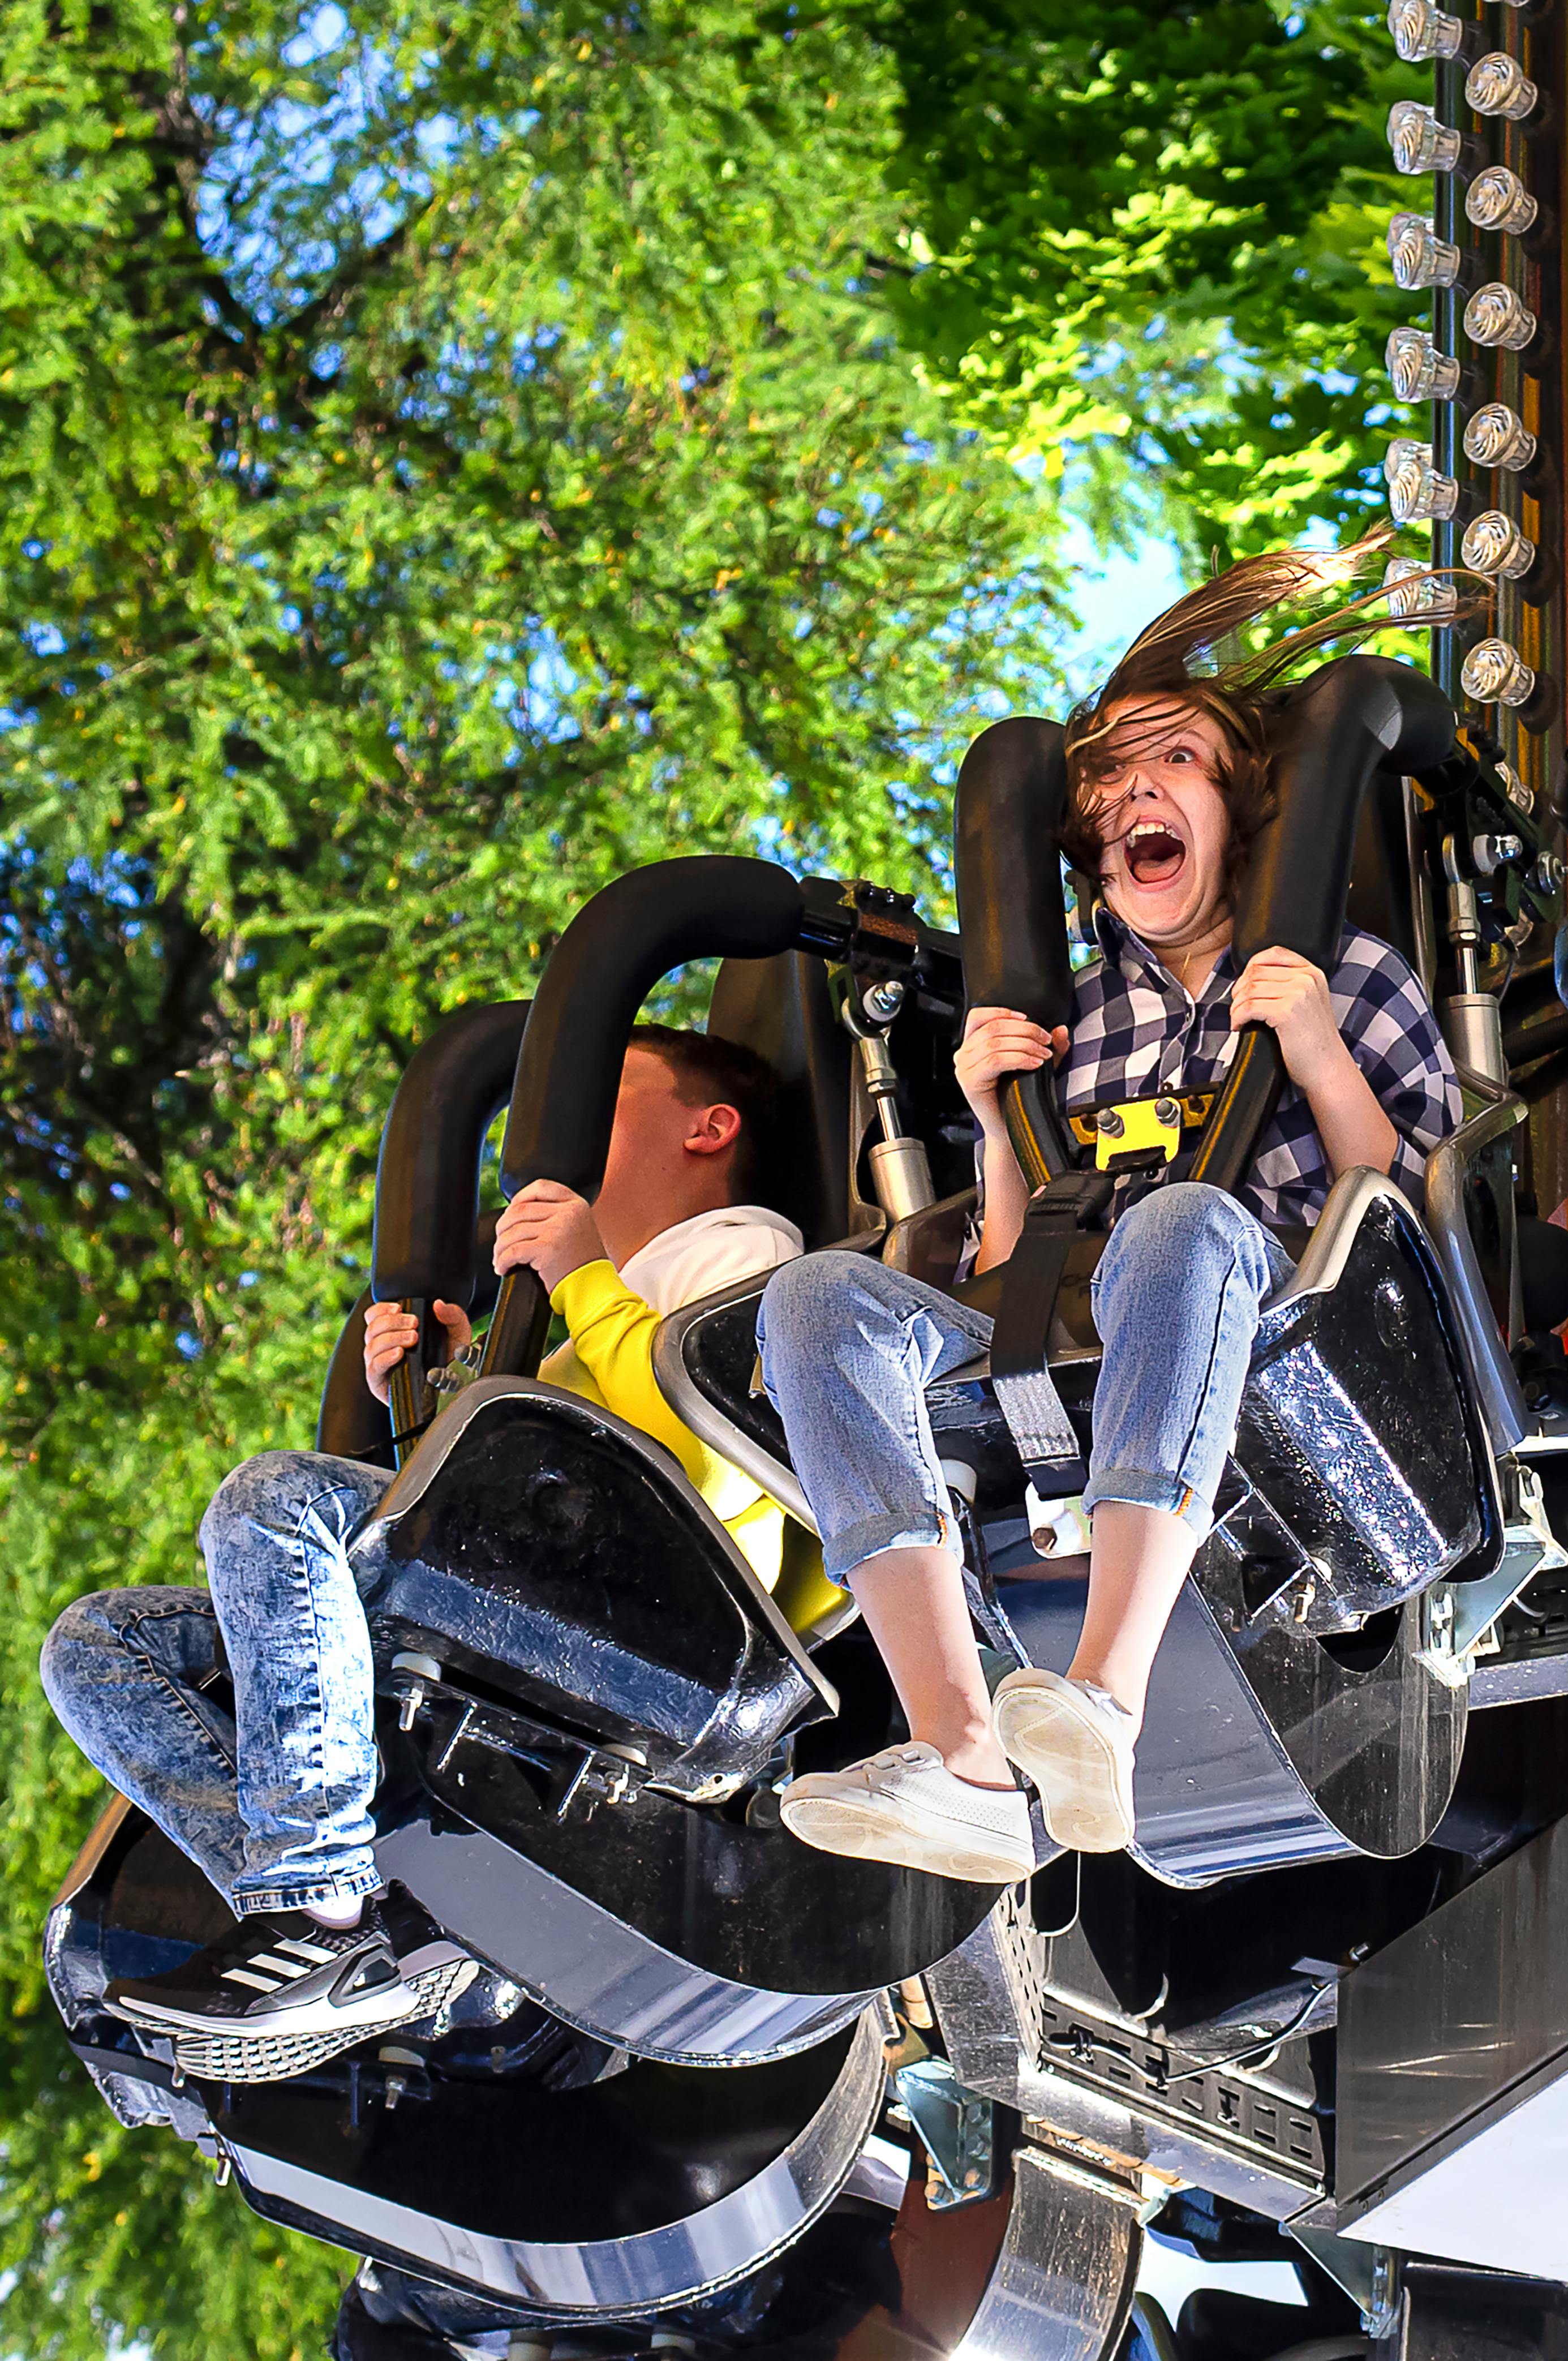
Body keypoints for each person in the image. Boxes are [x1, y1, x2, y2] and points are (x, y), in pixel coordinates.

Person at [759, 541, 1462, 1883]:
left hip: (1320, 1337)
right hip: (1087, 1337)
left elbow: (1417, 1216)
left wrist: (1312, 1050)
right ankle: (961, 1754)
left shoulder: (1348, 974)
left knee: (1184, 1222)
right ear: (1086, 843)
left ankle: (1108, 1694)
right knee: (815, 1297)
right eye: (1109, 775)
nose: (1136, 785)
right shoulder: (1070, 1023)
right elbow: (1020, 1268)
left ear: (1241, 814)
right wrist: (997, 1128)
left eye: (1176, 762)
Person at [42, 1025, 802, 2074]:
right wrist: (438, 1387)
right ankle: (369, 1926)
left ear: (707, 1128)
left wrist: (580, 1272)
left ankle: (321, 1908)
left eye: (608, 1091)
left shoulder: (742, 1251)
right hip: (552, 1580)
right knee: (101, 1643)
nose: (570, 1124)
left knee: (277, 1502)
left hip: (666, 1613)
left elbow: (701, 1460)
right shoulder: (601, 1305)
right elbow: (539, 1456)